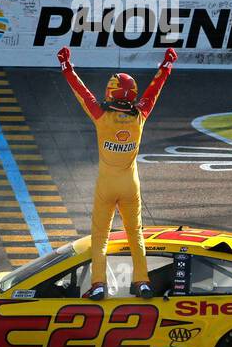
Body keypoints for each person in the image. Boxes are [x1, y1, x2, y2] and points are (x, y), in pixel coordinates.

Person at [57, 45, 178, 301]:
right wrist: (166, 67)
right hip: (130, 184)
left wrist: (67, 67)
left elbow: (83, 93)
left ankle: (99, 284)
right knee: (136, 234)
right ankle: (142, 282)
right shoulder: (139, 116)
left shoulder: (101, 115)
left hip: (106, 184)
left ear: (111, 93)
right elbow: (153, 91)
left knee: (100, 236)